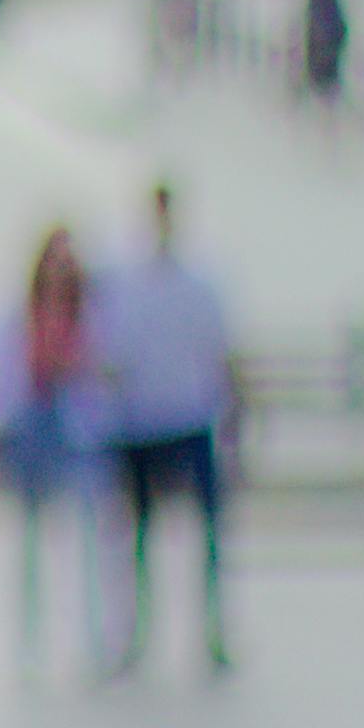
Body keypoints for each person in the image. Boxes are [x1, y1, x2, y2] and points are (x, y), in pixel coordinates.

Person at [91, 181, 239, 677]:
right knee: (135, 537)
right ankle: (132, 633)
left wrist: (233, 411)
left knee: (210, 534)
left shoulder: (200, 284)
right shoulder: (123, 284)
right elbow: (108, 355)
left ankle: (213, 630)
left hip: (189, 416)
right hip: (137, 422)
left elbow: (220, 353)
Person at [0, 228, 111, 669]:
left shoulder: (91, 316)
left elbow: (106, 372)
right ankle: (30, 641)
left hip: (76, 430)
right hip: (32, 427)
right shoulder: (21, 317)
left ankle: (91, 639)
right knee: (30, 540)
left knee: (86, 540)